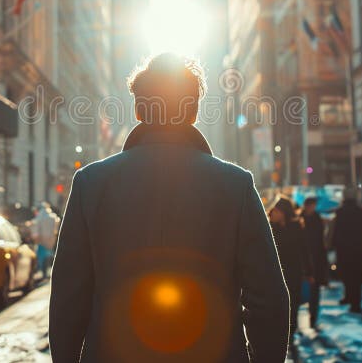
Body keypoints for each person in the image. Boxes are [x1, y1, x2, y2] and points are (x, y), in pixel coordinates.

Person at [49, 53, 289, 363]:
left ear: (138, 109)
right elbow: (268, 300)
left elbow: (68, 300)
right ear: (193, 110)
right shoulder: (236, 187)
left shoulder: (91, 184)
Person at [268, 195, 311, 356]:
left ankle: (290, 334)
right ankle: (278, 333)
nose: (273, 213)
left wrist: (309, 272)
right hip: (275, 274)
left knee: (293, 304)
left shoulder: (296, 228)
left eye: (277, 210)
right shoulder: (269, 228)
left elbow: (305, 250)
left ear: (284, 212)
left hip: (294, 273)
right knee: (277, 305)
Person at [331, 187, 362, 313]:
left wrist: (333, 245)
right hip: (359, 251)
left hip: (344, 251)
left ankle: (349, 297)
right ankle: (356, 303)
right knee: (357, 278)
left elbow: (336, 231)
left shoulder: (340, 212)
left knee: (346, 275)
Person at [301, 196, 328, 329]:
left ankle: (313, 318)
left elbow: (321, 242)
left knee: (314, 291)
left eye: (314, 205)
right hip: (302, 259)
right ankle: (294, 322)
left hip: (316, 260)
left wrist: (323, 262)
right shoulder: (299, 219)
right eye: (311, 205)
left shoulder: (317, 219)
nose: (312, 208)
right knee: (300, 291)